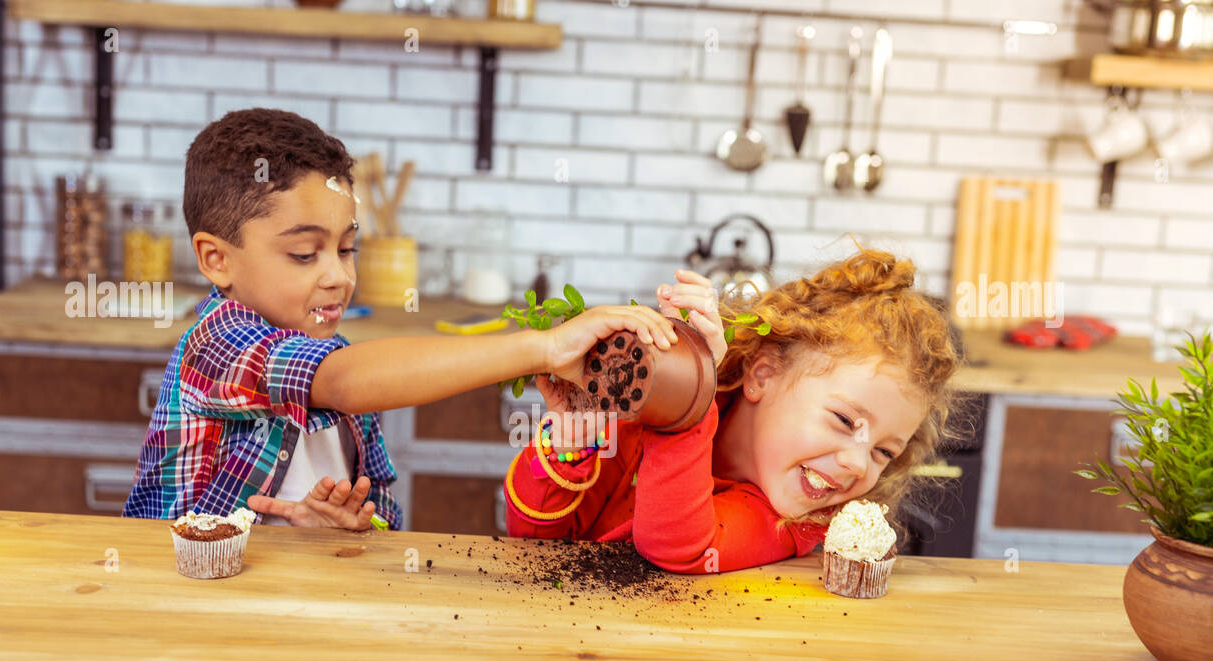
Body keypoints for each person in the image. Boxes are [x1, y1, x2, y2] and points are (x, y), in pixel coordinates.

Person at [123, 109, 678, 528]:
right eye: (302, 254)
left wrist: (353, 525)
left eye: (346, 250)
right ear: (215, 258)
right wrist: (543, 346)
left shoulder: (339, 355)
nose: (338, 276)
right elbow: (345, 381)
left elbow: (381, 504)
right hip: (181, 602)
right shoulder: (218, 342)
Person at [504, 247, 965, 574]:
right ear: (762, 376)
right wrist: (569, 437)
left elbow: (676, 548)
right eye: (845, 421)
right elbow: (534, 541)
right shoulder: (641, 421)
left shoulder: (798, 519)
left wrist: (688, 405)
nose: (856, 463)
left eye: (884, 452)